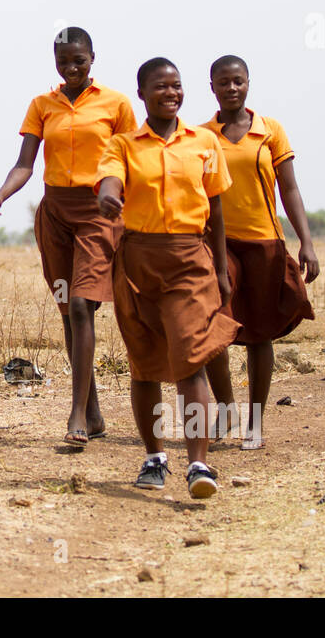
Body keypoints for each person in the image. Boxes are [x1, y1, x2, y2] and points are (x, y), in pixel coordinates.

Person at [0, 26, 137, 447]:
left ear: (93, 59)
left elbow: (129, 161)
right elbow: (25, 164)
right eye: (63, 61)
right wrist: (0, 195)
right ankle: (93, 409)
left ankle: (76, 417)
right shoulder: (41, 105)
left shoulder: (117, 104)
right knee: (69, 310)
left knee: (85, 306)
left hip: (98, 214)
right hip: (55, 216)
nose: (71, 68)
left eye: (79, 60)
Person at [95, 57, 237, 498]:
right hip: (138, 262)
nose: (171, 93)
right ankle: (154, 456)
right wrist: (108, 199)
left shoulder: (205, 144)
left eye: (176, 86)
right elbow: (108, 182)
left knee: (190, 360)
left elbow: (215, 211)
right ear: (142, 94)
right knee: (145, 366)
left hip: (190, 261)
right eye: (161, 86)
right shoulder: (123, 144)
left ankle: (199, 463)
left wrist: (221, 267)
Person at [201, 55, 318, 450]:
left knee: (259, 335)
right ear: (212, 87)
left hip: (265, 243)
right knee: (214, 326)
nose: (231, 88)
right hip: (218, 246)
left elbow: (290, 189)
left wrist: (307, 241)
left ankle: (255, 422)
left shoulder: (271, 131)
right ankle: (226, 408)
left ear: (248, 84)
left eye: (238, 81)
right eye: (223, 82)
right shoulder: (201, 136)